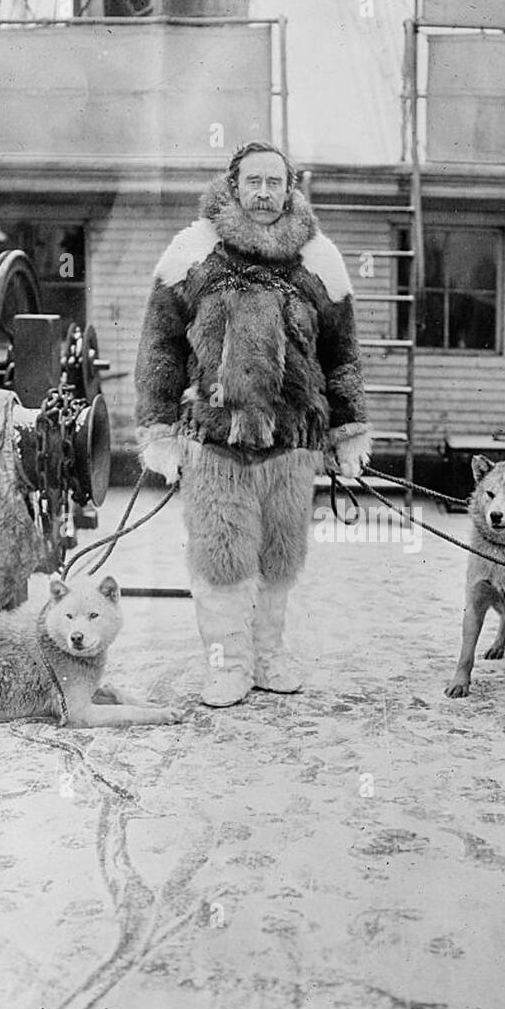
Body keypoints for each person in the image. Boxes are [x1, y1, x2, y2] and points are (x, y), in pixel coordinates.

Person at [134, 141, 371, 707]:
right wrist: (158, 427)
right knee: (221, 557)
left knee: (279, 557)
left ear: (291, 189)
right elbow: (160, 348)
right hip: (216, 443)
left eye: (275, 182)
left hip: (292, 445)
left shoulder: (319, 259)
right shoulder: (194, 253)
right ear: (233, 186)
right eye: (253, 182)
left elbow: (342, 354)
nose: (264, 193)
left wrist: (348, 428)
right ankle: (226, 665)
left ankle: (267, 656)